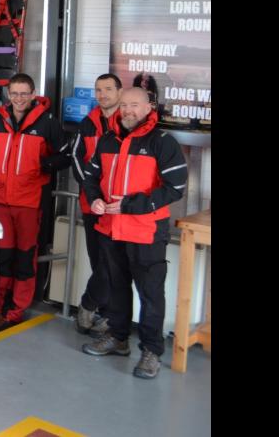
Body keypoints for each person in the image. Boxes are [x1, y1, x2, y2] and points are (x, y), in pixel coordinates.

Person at [80, 87, 187, 380]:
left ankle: (151, 351)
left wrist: (129, 205)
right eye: (124, 105)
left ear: (149, 107)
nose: (128, 110)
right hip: (110, 229)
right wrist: (95, 200)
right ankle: (118, 338)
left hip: (146, 231)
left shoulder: (163, 142)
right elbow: (91, 178)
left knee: (151, 293)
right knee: (116, 285)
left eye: (134, 105)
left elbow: (175, 187)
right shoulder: (107, 140)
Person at [0, 73, 71, 332]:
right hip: (0, 200)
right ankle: (0, 307)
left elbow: (65, 155)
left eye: (24, 94)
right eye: (15, 93)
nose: (19, 99)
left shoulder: (47, 123)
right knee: (4, 256)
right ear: (9, 95)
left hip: (30, 200)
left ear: (33, 95)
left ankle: (16, 310)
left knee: (24, 257)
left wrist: (42, 166)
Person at [69, 73, 122, 338]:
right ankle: (104, 314)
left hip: (119, 210)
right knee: (98, 260)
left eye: (108, 89)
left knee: (113, 264)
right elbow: (77, 159)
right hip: (92, 207)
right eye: (99, 90)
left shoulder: (126, 124)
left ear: (120, 92)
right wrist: (94, 194)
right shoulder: (87, 124)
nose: (103, 94)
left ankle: (91, 307)